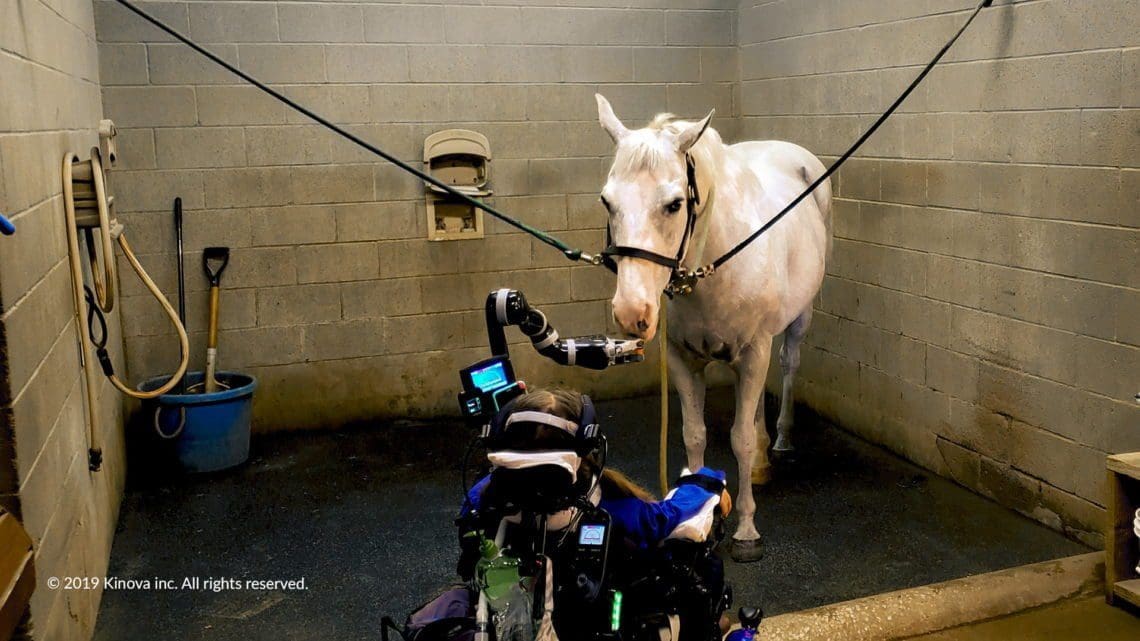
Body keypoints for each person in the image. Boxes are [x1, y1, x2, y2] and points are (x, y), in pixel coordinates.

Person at [457, 388, 732, 641]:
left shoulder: (482, 504)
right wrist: (707, 480)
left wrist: (522, 424)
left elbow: (504, 478)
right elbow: (668, 515)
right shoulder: (613, 508)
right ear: (588, 450)